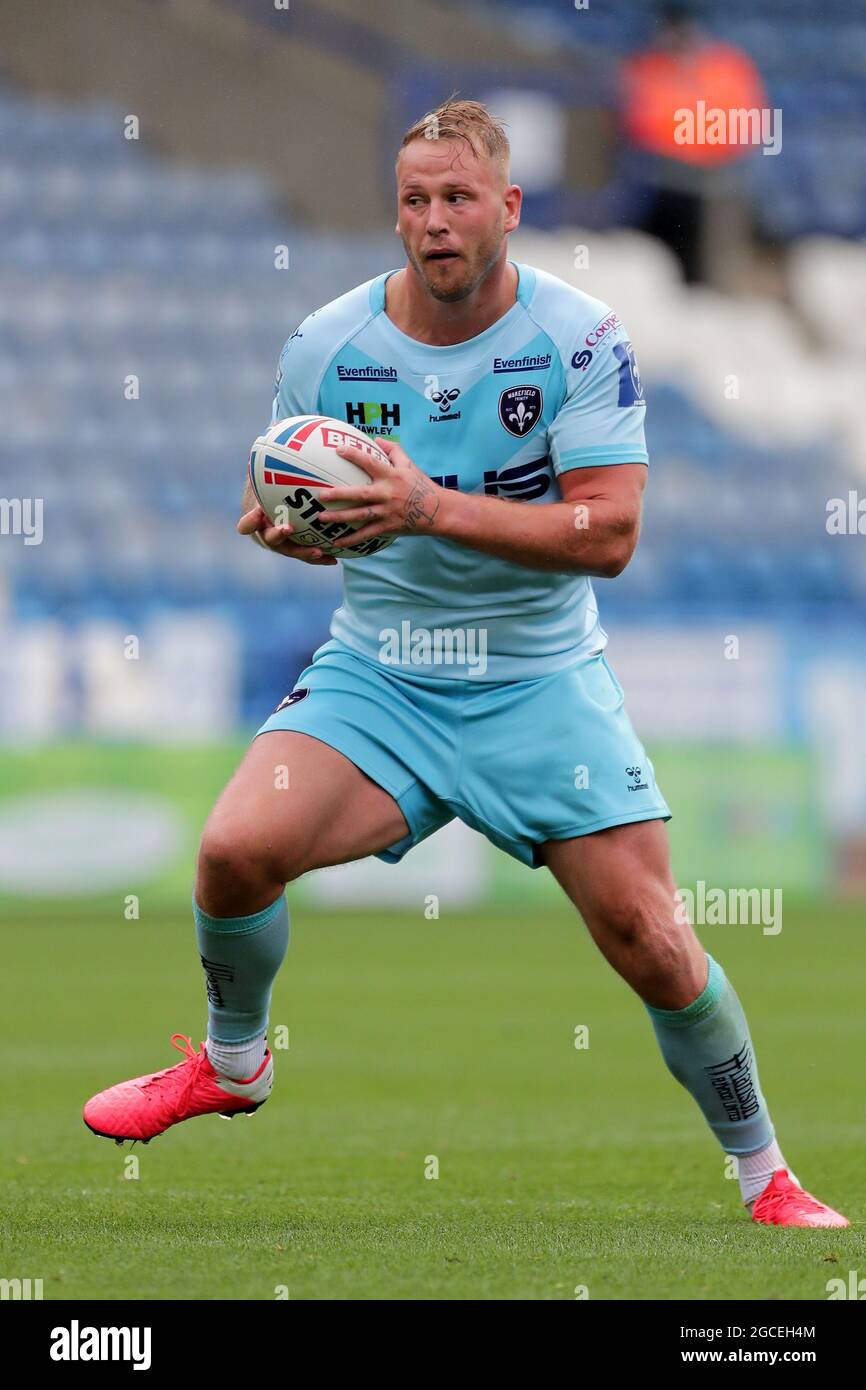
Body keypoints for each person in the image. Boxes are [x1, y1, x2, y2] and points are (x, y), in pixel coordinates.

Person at [84, 99, 846, 1229]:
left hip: (538, 682)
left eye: (456, 199)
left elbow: (611, 536)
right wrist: (289, 524)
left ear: (507, 208)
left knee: (651, 939)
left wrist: (426, 505)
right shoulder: (326, 345)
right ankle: (234, 1061)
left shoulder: (578, 338)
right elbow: (275, 494)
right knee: (234, 852)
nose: (433, 221)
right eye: (413, 201)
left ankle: (764, 1172)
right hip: (379, 675)